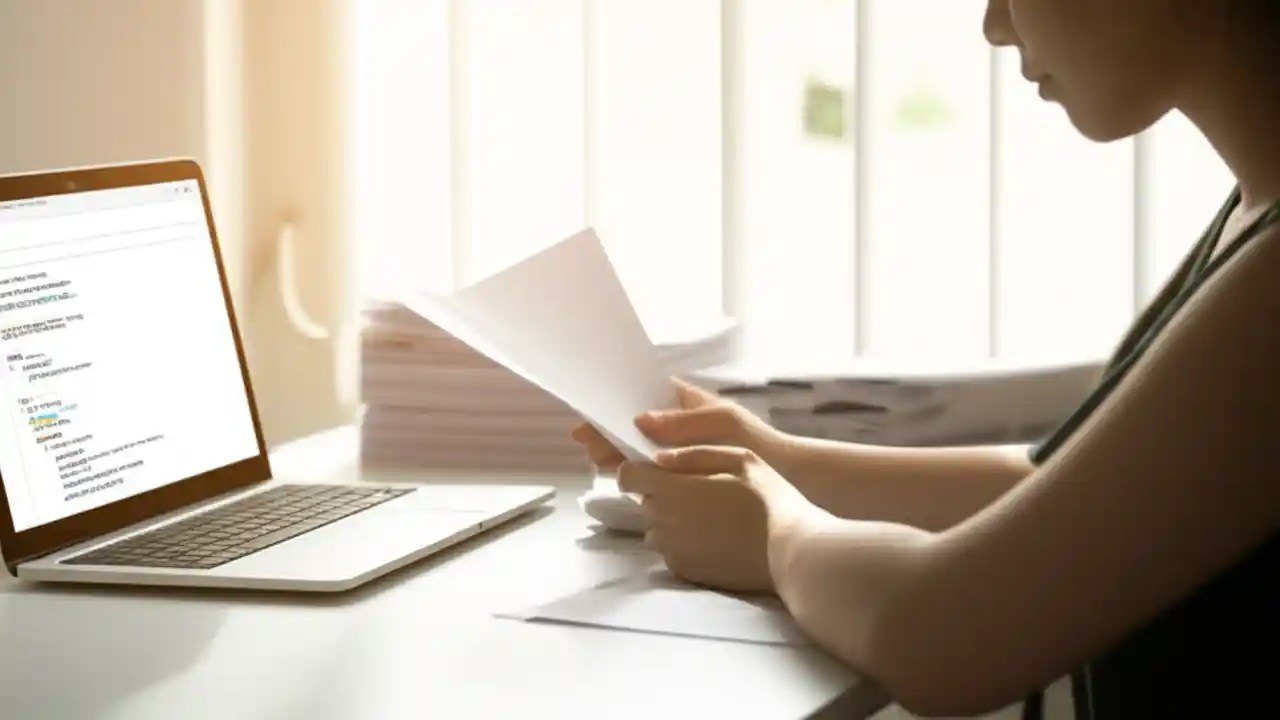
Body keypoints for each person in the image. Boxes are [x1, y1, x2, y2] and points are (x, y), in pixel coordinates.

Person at [570, 1, 1280, 717]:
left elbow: (944, 632)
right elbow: (1061, 492)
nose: (995, 24)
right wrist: (776, 457)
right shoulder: (1252, 207)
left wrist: (776, 535)